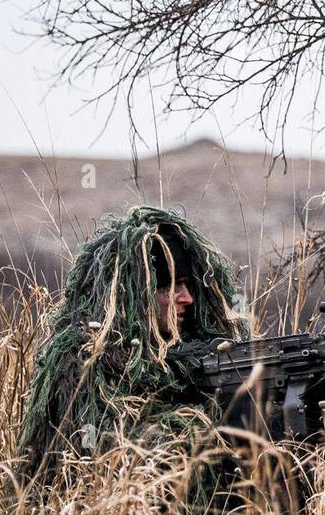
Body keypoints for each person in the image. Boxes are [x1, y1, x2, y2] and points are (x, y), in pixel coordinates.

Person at [13, 206, 251, 493]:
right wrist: (209, 420)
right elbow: (113, 455)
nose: (187, 298)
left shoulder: (201, 352)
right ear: (135, 297)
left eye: (188, 286)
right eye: (171, 287)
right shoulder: (86, 363)